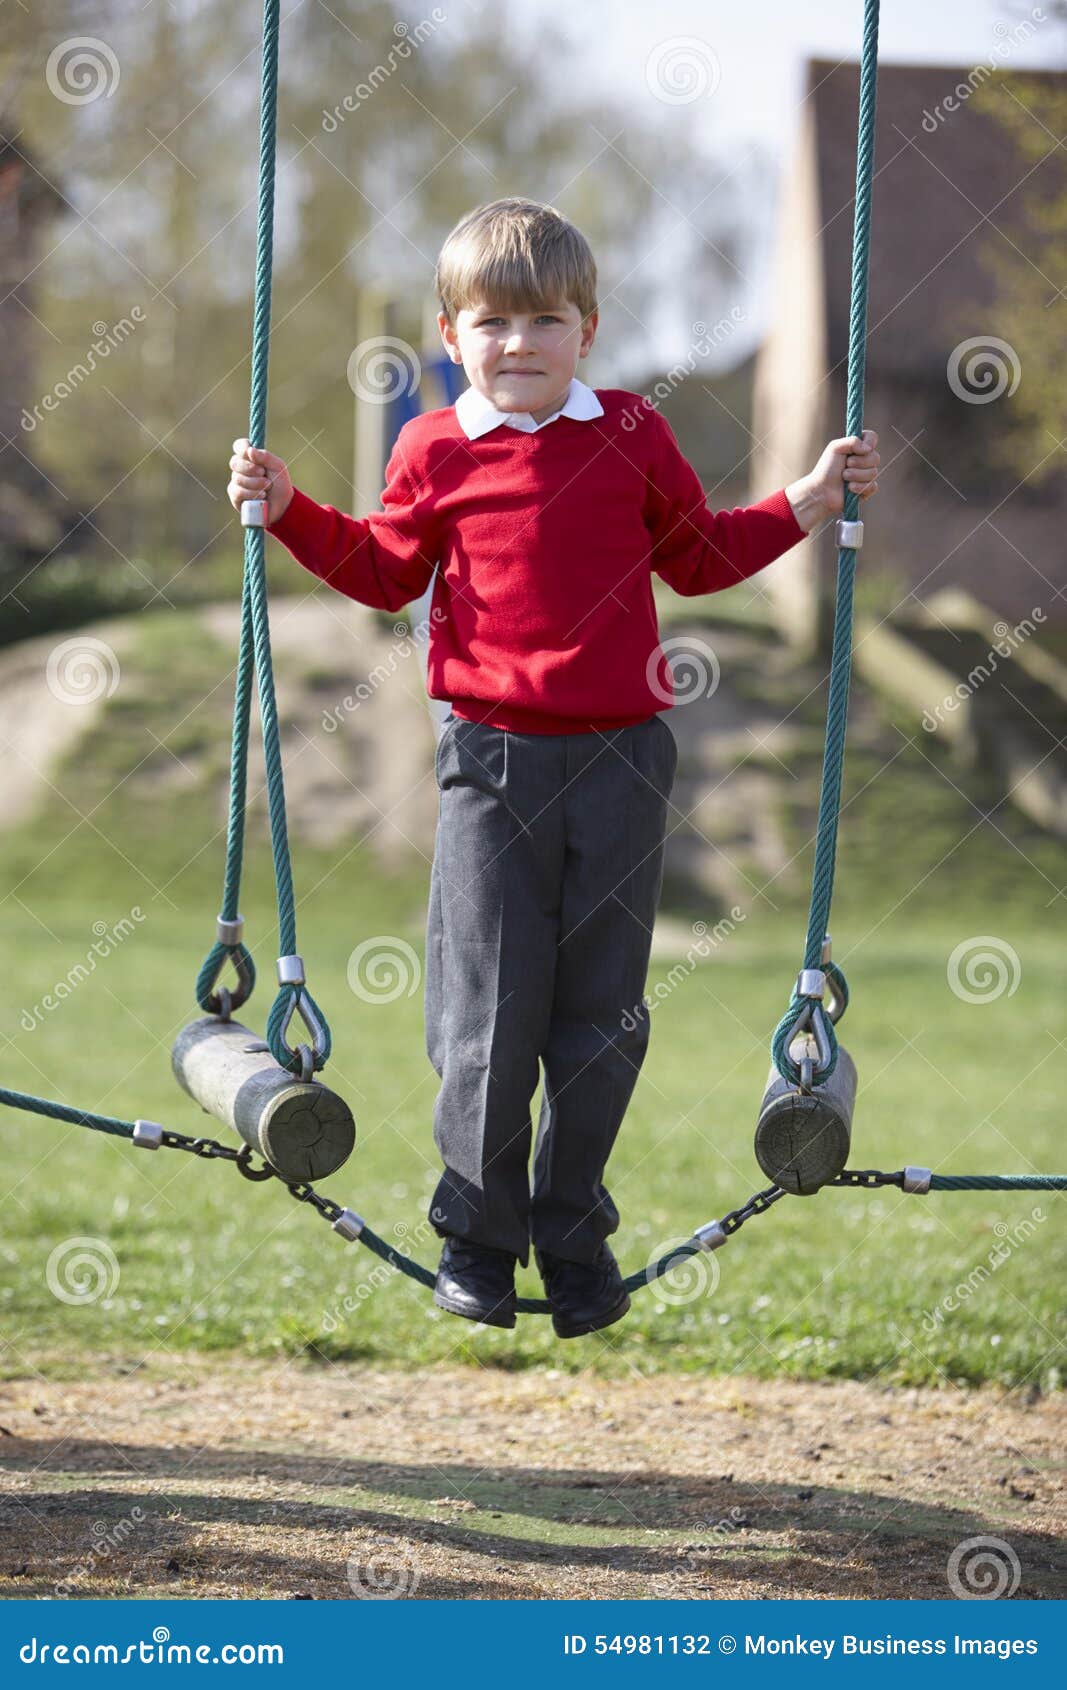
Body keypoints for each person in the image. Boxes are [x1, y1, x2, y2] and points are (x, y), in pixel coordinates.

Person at [226, 197, 879, 1340]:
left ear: (586, 329)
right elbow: (384, 572)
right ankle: (477, 1234)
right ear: (448, 334)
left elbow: (701, 552)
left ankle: (571, 1231)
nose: (516, 343)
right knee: (485, 1014)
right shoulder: (432, 446)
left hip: (624, 762)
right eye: (491, 322)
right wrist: (287, 512)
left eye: (543, 320)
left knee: (601, 1016)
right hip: (489, 762)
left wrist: (805, 502)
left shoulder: (628, 432)